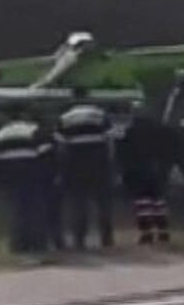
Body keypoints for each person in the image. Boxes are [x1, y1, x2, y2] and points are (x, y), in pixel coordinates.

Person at [0, 112, 56, 256]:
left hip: (10, 172)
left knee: (17, 209)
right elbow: (44, 151)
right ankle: (37, 244)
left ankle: (18, 244)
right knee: (36, 209)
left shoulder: (3, 132)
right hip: (31, 170)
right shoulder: (34, 129)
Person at [54, 105, 116, 250]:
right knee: (103, 202)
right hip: (99, 162)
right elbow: (110, 142)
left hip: (75, 164)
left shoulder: (65, 118)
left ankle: (79, 238)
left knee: (78, 202)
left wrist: (61, 168)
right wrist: (111, 163)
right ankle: (107, 237)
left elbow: (61, 146)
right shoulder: (100, 115)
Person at [118, 115, 176, 246]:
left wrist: (124, 173)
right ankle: (163, 231)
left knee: (142, 204)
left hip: (138, 173)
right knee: (158, 202)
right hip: (157, 172)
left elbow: (123, 154)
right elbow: (167, 151)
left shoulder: (130, 134)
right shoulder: (160, 133)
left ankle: (146, 233)